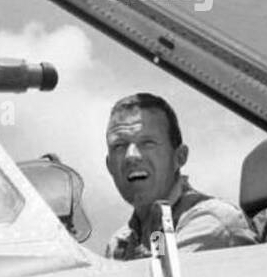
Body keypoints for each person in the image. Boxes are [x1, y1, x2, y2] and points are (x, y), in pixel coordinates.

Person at [102, 93, 256, 260]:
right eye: (119, 146)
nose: (131, 156)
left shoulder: (211, 223)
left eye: (147, 143)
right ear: (109, 166)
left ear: (179, 157)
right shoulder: (120, 243)